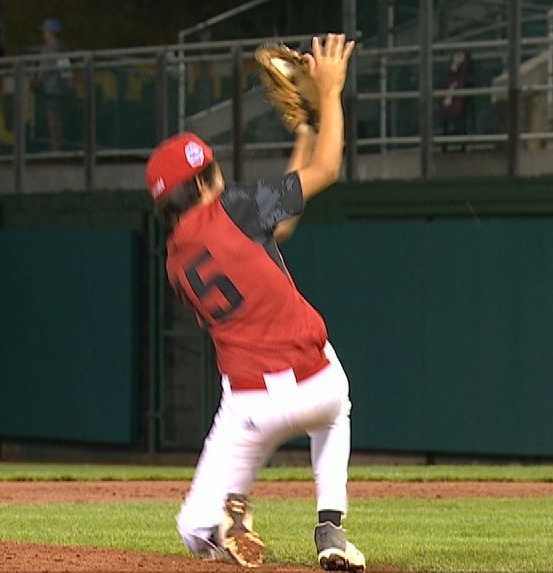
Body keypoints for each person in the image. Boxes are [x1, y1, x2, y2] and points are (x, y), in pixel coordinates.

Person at [147, 34, 365, 571]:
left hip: (252, 407)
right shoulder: (237, 207)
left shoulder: (176, 260)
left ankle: (227, 520)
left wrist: (305, 131)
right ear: (205, 179)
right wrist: (330, 94)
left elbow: (278, 223)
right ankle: (330, 528)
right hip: (319, 383)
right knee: (337, 409)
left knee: (192, 531)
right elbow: (326, 172)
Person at [33, 17, 70, 151]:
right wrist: (68, 83)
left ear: (50, 32)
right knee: (59, 117)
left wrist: (38, 81)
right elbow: (66, 69)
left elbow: (44, 69)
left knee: (53, 118)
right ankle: (57, 144)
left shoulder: (48, 48)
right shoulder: (63, 47)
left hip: (51, 87)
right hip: (61, 87)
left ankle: (55, 146)